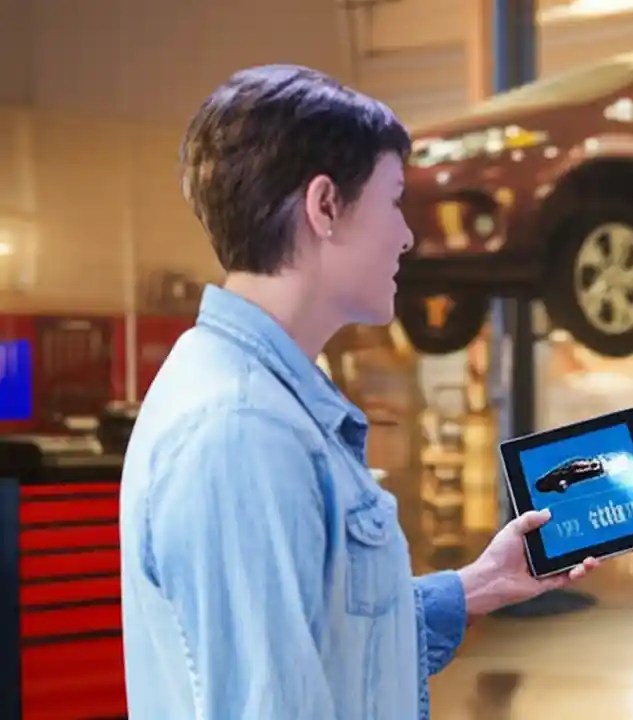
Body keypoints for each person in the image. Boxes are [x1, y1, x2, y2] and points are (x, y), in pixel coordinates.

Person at [117, 65, 597, 720]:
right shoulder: (241, 429)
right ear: (324, 207)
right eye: (394, 199)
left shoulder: (276, 396)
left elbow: (332, 641)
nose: (406, 234)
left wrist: (480, 584)